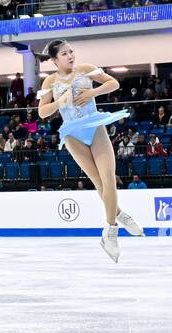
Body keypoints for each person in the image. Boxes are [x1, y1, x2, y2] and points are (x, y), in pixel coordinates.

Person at [35, 39, 141, 263]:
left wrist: (91, 94)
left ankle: (110, 232)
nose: (70, 56)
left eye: (71, 51)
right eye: (64, 54)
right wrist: (60, 102)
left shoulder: (85, 69)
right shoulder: (50, 82)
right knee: (99, 184)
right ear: (54, 60)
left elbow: (113, 84)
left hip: (95, 126)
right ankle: (119, 213)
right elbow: (42, 112)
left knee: (109, 179)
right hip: (73, 134)